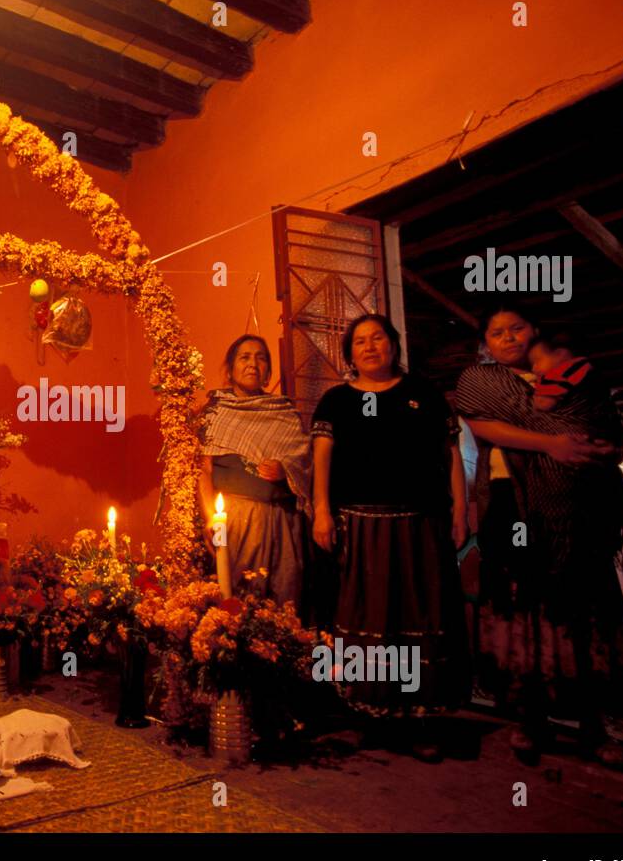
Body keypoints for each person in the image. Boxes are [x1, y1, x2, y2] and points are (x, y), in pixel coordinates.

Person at [456, 300, 623, 770]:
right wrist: (554, 443)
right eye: (497, 333)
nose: (509, 338)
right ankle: (529, 719)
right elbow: (484, 426)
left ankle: (595, 727)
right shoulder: (481, 382)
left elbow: (608, 430)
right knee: (525, 609)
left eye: (516, 328)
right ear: (486, 345)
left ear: (534, 330)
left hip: (580, 513)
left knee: (585, 610)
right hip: (514, 508)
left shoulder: (575, 376)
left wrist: (609, 446)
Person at [310, 314, 470, 762]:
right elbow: (322, 460)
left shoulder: (424, 395)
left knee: (418, 615)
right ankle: (365, 717)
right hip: (359, 524)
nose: (369, 346)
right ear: (349, 353)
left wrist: (460, 507)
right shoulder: (336, 401)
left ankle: (422, 717)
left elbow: (450, 453)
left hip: (420, 523)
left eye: (377, 337)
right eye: (359, 341)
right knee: (367, 619)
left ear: (394, 344)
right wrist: (321, 511)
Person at [198, 334, 310, 604]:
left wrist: (286, 470)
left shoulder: (284, 413)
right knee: (237, 598)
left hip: (281, 522)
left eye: (261, 358)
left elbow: (305, 462)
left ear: (268, 371)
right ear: (230, 369)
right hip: (235, 520)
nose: (253, 364)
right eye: (244, 357)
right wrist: (211, 520)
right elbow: (204, 470)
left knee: (284, 600)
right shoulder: (214, 412)